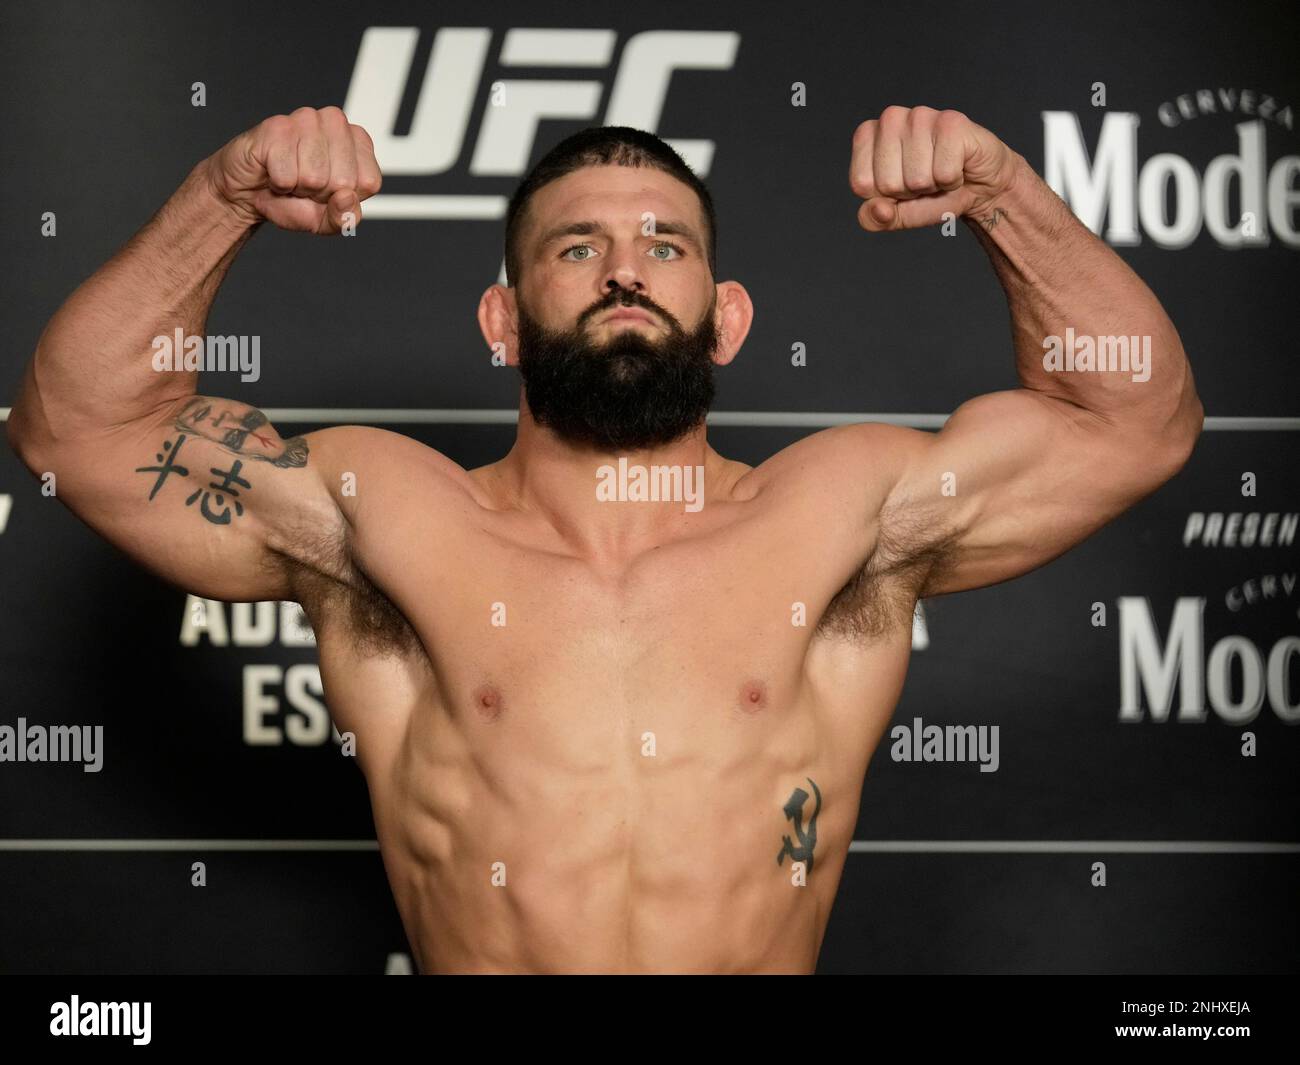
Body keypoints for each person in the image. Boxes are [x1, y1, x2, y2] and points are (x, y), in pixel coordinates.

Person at [7, 104, 1202, 973]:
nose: (624, 272)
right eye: (576, 248)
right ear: (501, 319)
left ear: (726, 321)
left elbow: (1135, 420)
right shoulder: (383, 514)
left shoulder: (846, 514)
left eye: (664, 246)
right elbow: (78, 425)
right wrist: (223, 197)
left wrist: (1002, 193)